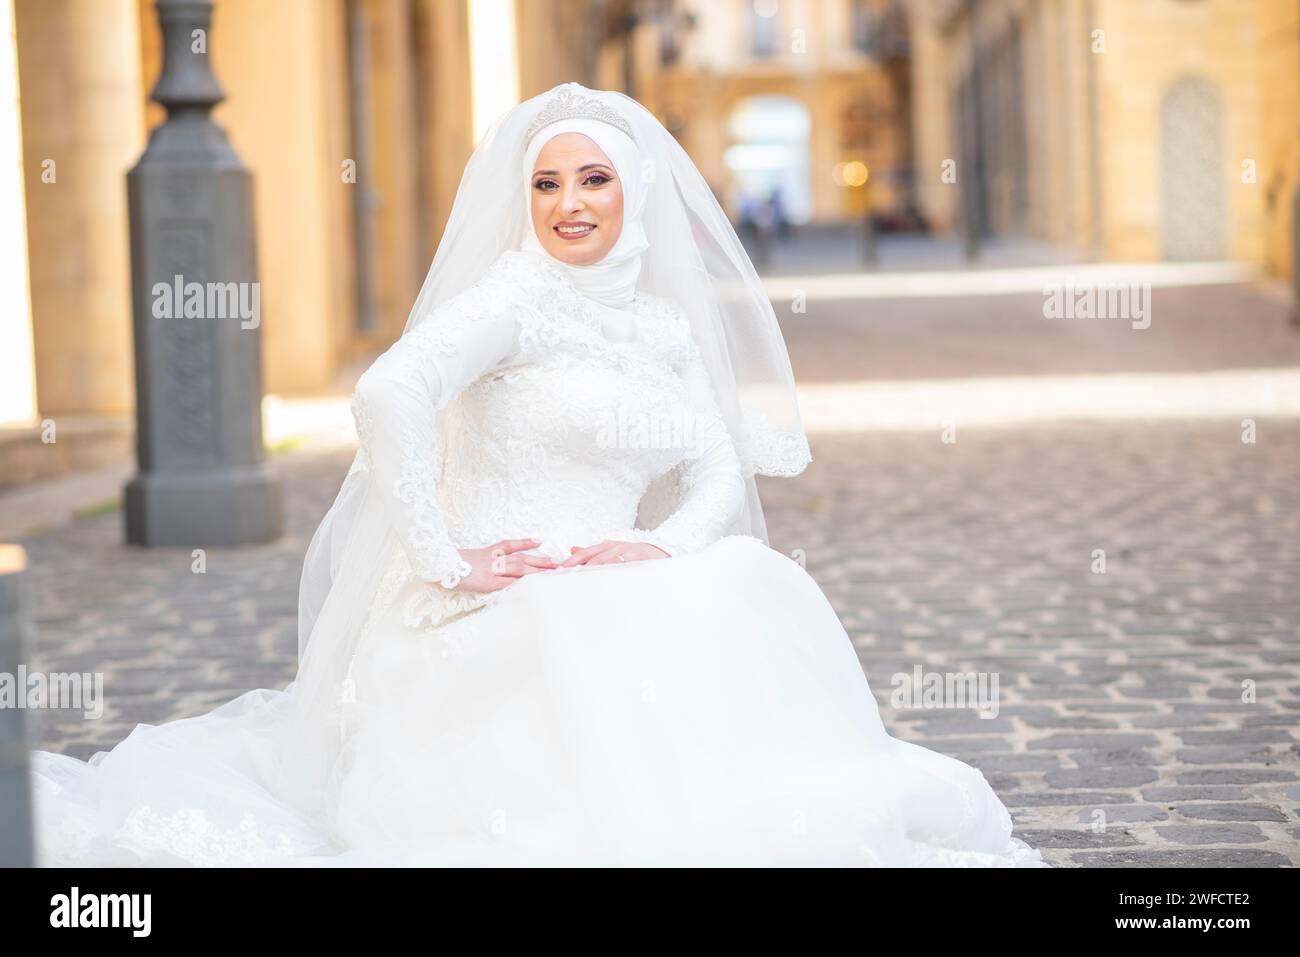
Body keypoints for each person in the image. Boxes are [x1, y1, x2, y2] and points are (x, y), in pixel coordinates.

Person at [30, 84, 1046, 867]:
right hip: (493, 605)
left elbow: (717, 464)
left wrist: (662, 542)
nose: (568, 204)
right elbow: (391, 395)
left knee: (742, 580)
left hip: (611, 573)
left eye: (593, 180)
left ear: (630, 189)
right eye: (547, 184)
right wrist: (444, 554)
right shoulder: (512, 301)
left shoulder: (658, 326)